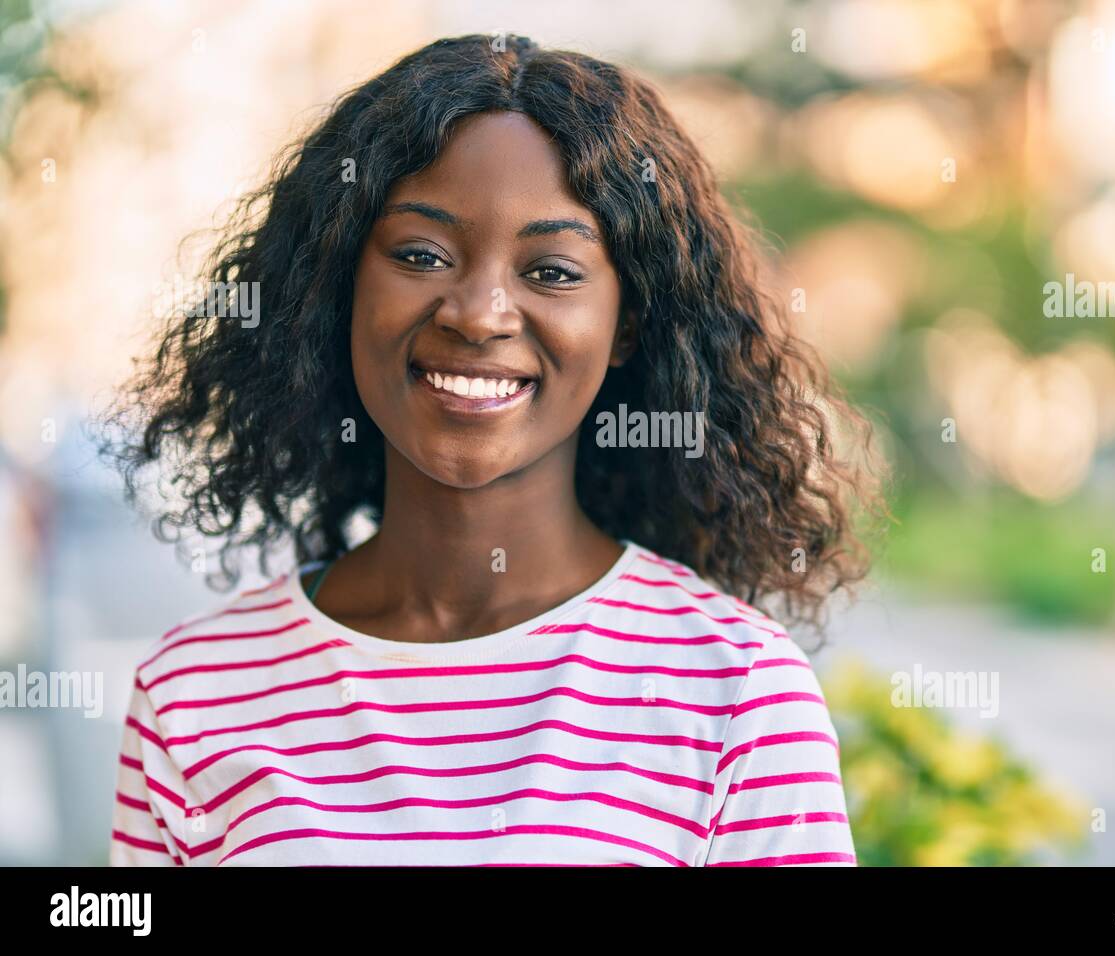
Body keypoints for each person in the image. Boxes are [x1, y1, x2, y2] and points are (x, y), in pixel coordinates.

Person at [100, 33, 874, 866]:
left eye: (552, 270)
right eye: (421, 255)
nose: (478, 312)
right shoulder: (196, 694)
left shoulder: (740, 696)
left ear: (629, 327)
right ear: (337, 289)